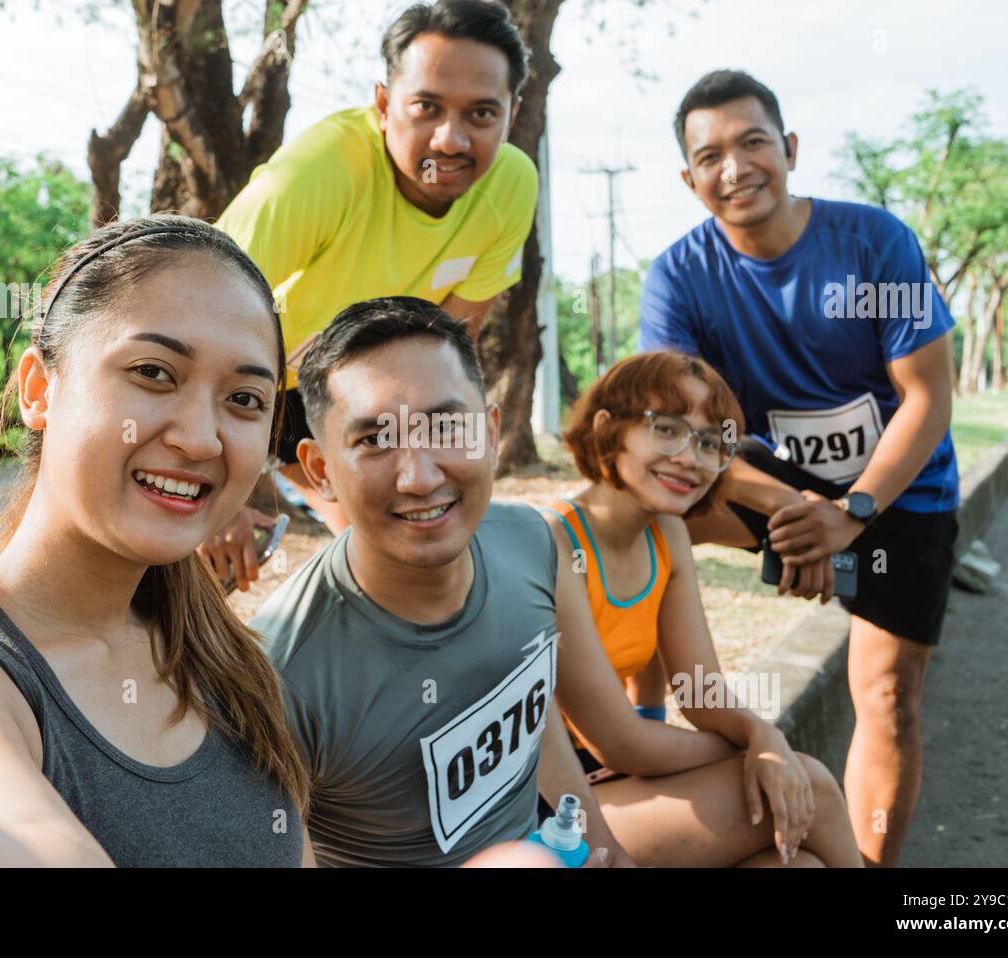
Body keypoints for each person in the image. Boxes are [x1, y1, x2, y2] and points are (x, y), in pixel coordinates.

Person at [253, 296, 859, 868]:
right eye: (376, 439)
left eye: (446, 428)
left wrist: (602, 845)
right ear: (320, 469)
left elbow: (535, 715)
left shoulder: (530, 546)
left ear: (491, 434)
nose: (418, 475)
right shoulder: (276, 673)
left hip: (556, 836)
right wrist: (754, 744)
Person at [0, 216, 311, 867]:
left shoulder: (229, 665)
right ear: (39, 390)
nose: (200, 437)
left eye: (244, 398)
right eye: (154, 373)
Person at [639, 69, 960, 866]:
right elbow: (675, 436)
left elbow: (926, 399)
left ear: (787, 148)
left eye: (752, 144)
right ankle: (634, 736)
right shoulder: (679, 277)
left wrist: (849, 515)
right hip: (769, 483)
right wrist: (799, 516)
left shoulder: (874, 242)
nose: (734, 168)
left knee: (888, 700)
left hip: (899, 489)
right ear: (689, 179)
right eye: (709, 156)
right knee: (635, 507)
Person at [207, 0, 539, 590]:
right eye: (427, 107)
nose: (451, 139)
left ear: (512, 113)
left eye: (482, 113)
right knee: (205, 561)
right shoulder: (318, 173)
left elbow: (453, 343)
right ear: (384, 105)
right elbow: (202, 316)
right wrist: (231, 485)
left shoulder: (513, 184)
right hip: (250, 380)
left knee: (408, 561)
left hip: (364, 398)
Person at [542, 350, 861, 866]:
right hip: (548, 804)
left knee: (795, 864)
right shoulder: (555, 546)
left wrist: (761, 735)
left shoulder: (666, 535)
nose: (691, 458)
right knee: (815, 788)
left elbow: (702, 693)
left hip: (618, 784)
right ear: (607, 429)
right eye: (666, 430)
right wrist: (757, 746)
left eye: (710, 443)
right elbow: (620, 744)